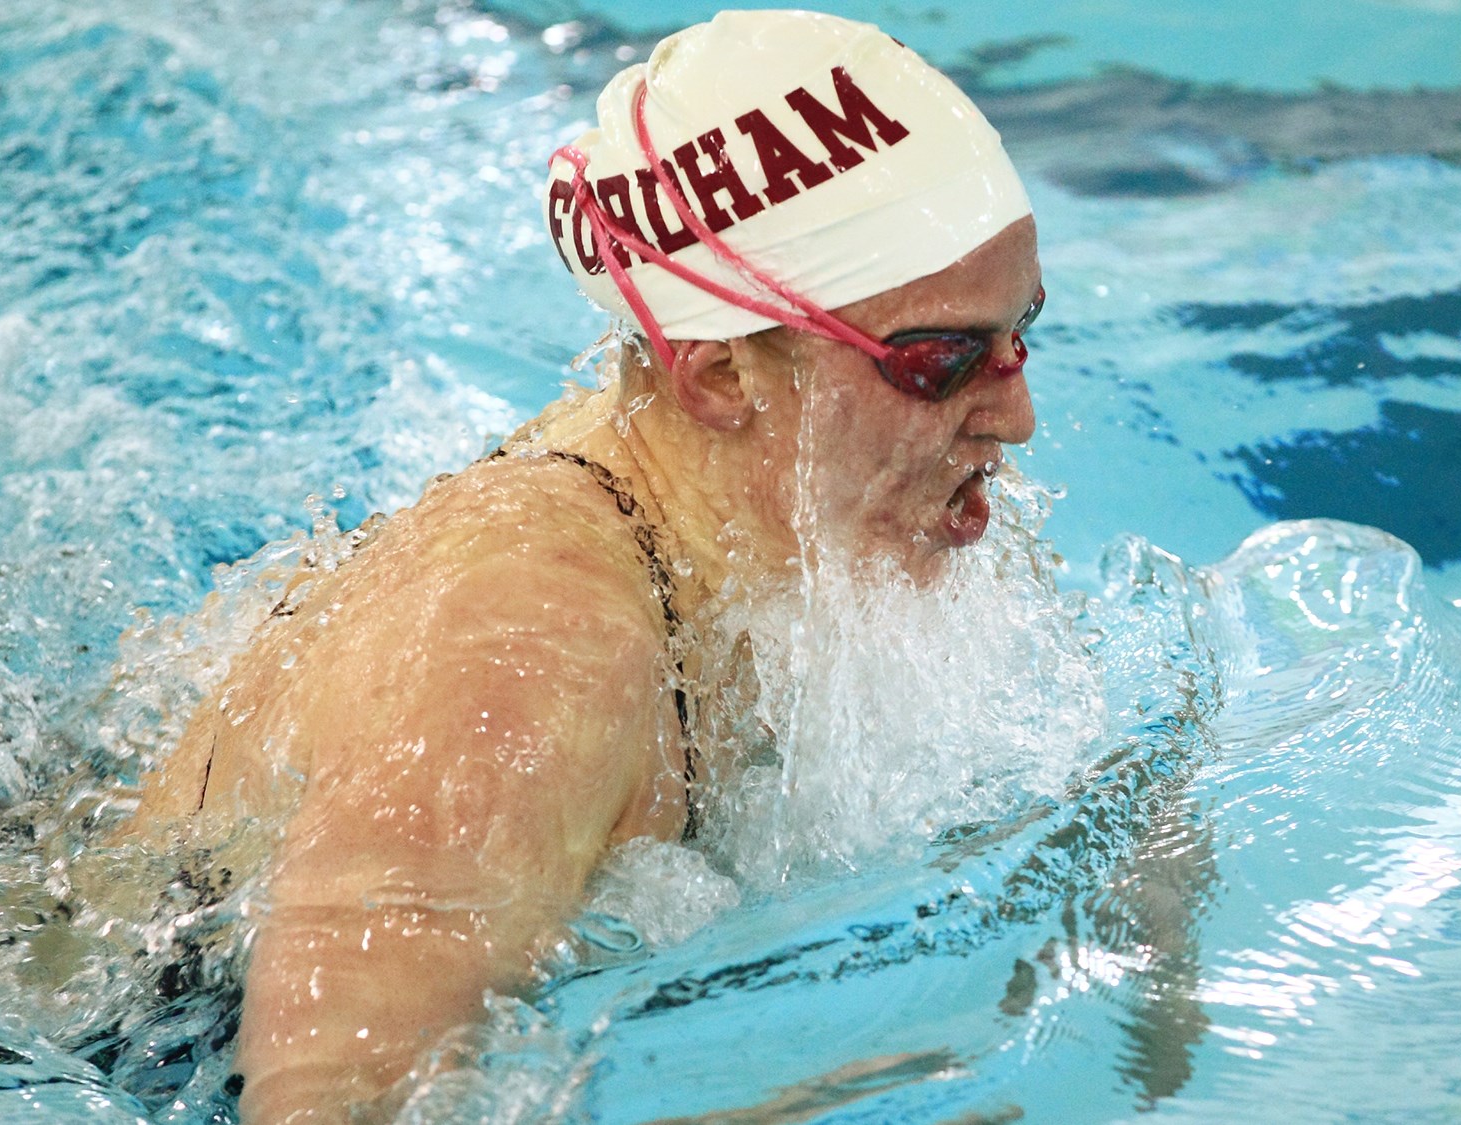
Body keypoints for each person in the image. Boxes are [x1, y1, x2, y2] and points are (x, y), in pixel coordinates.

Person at [117, 10, 1043, 1122]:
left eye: (1020, 333)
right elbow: (332, 1099)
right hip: (77, 1039)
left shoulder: (839, 507)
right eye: (941, 362)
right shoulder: (530, 653)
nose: (1016, 413)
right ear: (717, 376)